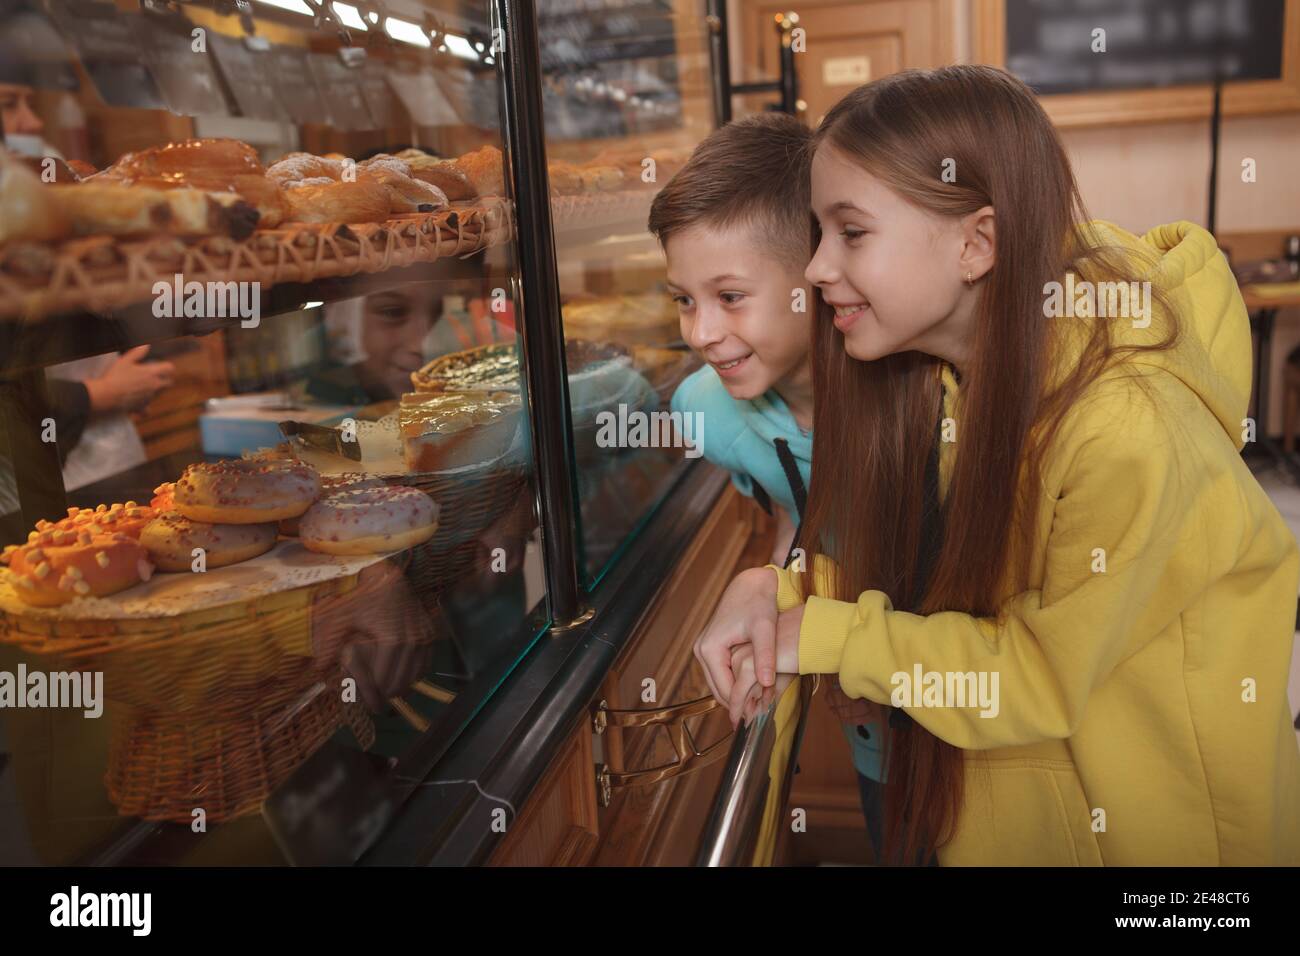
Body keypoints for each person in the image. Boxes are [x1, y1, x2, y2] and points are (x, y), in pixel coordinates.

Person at [695, 65, 1300, 866]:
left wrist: (835, 636)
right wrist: (774, 592)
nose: (814, 269)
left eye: (852, 232)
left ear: (977, 243)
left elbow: (1035, 676)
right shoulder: (955, 379)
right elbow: (942, 575)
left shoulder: (1126, 431)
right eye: (817, 233)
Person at [649, 112, 892, 857]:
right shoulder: (705, 412)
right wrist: (775, 582)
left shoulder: (916, 386)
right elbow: (797, 517)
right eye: (684, 299)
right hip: (870, 725)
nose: (699, 332)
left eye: (729, 296)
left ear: (816, 277)